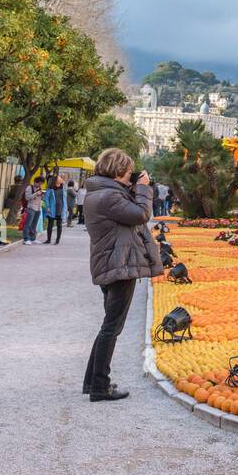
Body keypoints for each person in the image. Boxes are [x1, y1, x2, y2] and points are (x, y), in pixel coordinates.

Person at [82, 149, 163, 401]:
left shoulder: (102, 193)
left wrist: (132, 187)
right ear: (118, 172)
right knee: (111, 327)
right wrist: (143, 189)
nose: (132, 176)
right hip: (120, 265)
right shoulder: (109, 197)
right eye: (128, 172)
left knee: (108, 324)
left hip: (112, 262)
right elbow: (141, 214)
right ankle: (100, 386)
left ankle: (92, 381)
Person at [42, 175, 68, 245]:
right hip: (52, 209)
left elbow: (65, 199)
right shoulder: (50, 189)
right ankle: (48, 239)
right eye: (59, 178)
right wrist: (47, 207)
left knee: (59, 225)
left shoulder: (63, 188)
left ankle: (57, 240)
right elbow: (46, 198)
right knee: (50, 224)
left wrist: (66, 208)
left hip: (60, 209)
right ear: (55, 180)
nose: (61, 179)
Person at [22, 177, 45, 245]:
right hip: (31, 208)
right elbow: (27, 198)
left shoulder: (39, 188)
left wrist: (42, 195)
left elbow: (40, 198)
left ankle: (33, 238)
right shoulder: (29, 188)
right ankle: (26, 238)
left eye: (41, 184)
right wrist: (36, 194)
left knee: (34, 224)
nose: (40, 185)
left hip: (38, 208)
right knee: (28, 224)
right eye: (39, 183)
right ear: (36, 182)